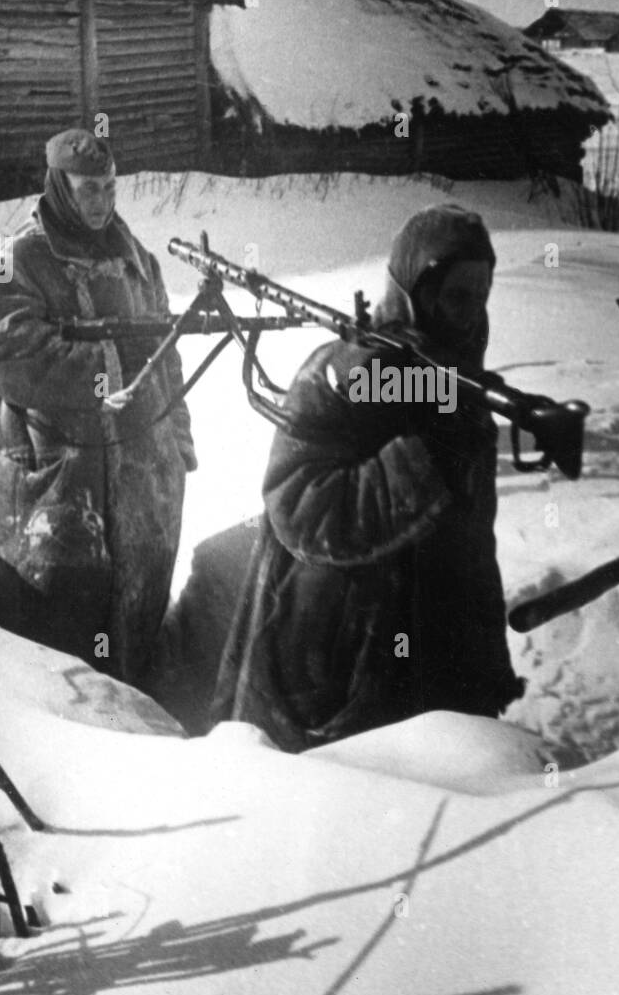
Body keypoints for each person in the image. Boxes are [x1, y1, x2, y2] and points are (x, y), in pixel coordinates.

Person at [210, 203, 523, 751]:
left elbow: (474, 545)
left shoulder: (461, 386)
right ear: (415, 292)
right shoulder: (346, 374)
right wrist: (420, 463)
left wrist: (484, 663)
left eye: (480, 295)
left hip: (436, 666)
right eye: (455, 296)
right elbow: (301, 510)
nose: (470, 313)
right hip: (337, 667)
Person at [0, 128, 196, 687]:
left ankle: (135, 708)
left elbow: (167, 353)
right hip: (57, 471)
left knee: (132, 606)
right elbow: (3, 346)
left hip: (139, 469)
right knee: (56, 617)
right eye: (88, 189)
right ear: (59, 187)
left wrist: (180, 439)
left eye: (110, 187)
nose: (103, 200)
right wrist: (104, 370)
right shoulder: (17, 258)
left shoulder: (137, 258)